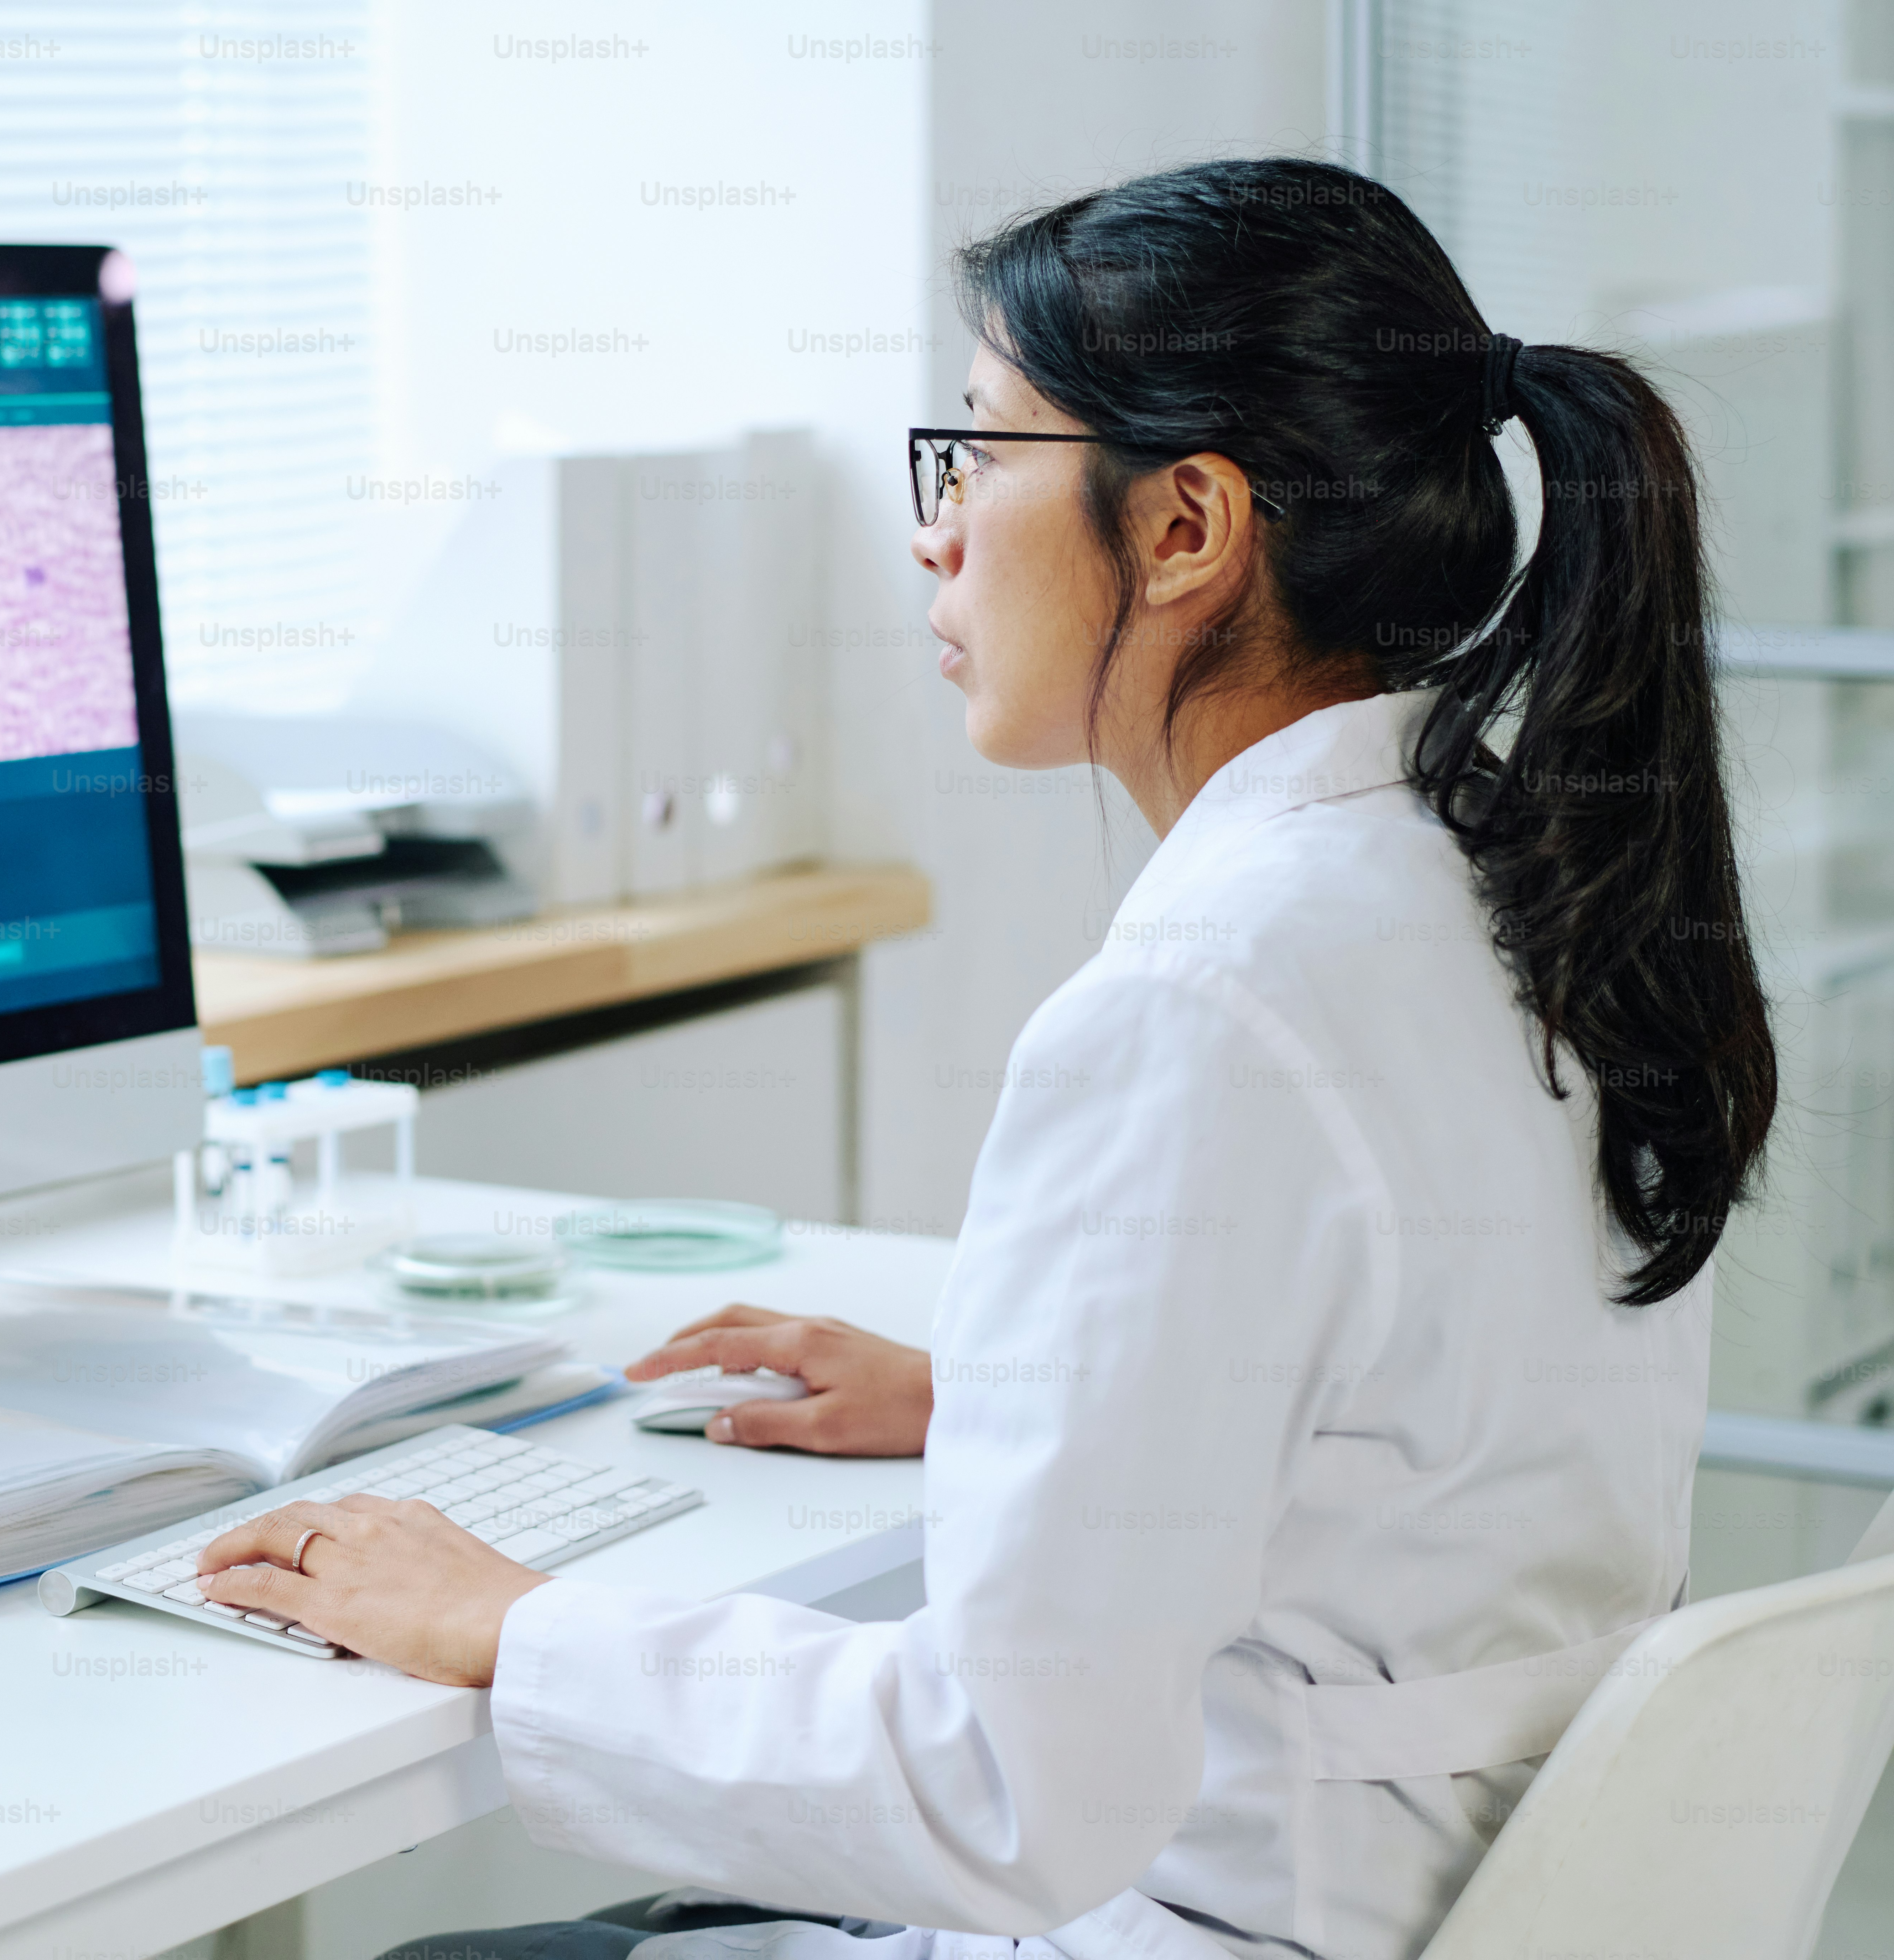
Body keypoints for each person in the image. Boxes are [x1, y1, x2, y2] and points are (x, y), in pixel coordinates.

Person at [193, 156, 1775, 1960]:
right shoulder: (1505, 870)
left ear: (1186, 526)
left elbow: (999, 1790)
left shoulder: (1203, 999)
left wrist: (504, 1617)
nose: (934, 530)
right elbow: (1441, 1415)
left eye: (980, 451)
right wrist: (1018, 1407)